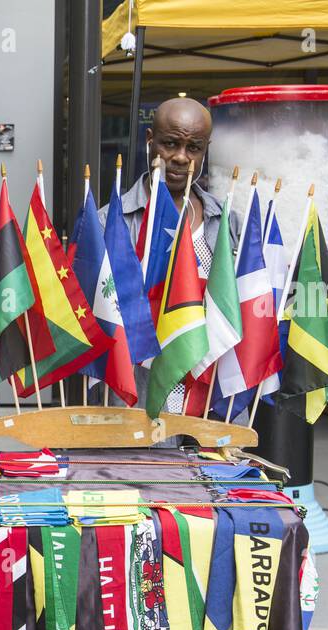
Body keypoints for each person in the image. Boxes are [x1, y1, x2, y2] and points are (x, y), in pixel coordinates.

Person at [99, 96, 239, 415]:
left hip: (209, 399)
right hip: (138, 398)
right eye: (170, 143)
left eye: (194, 148)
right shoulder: (110, 223)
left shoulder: (229, 222)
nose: (180, 157)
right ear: (151, 141)